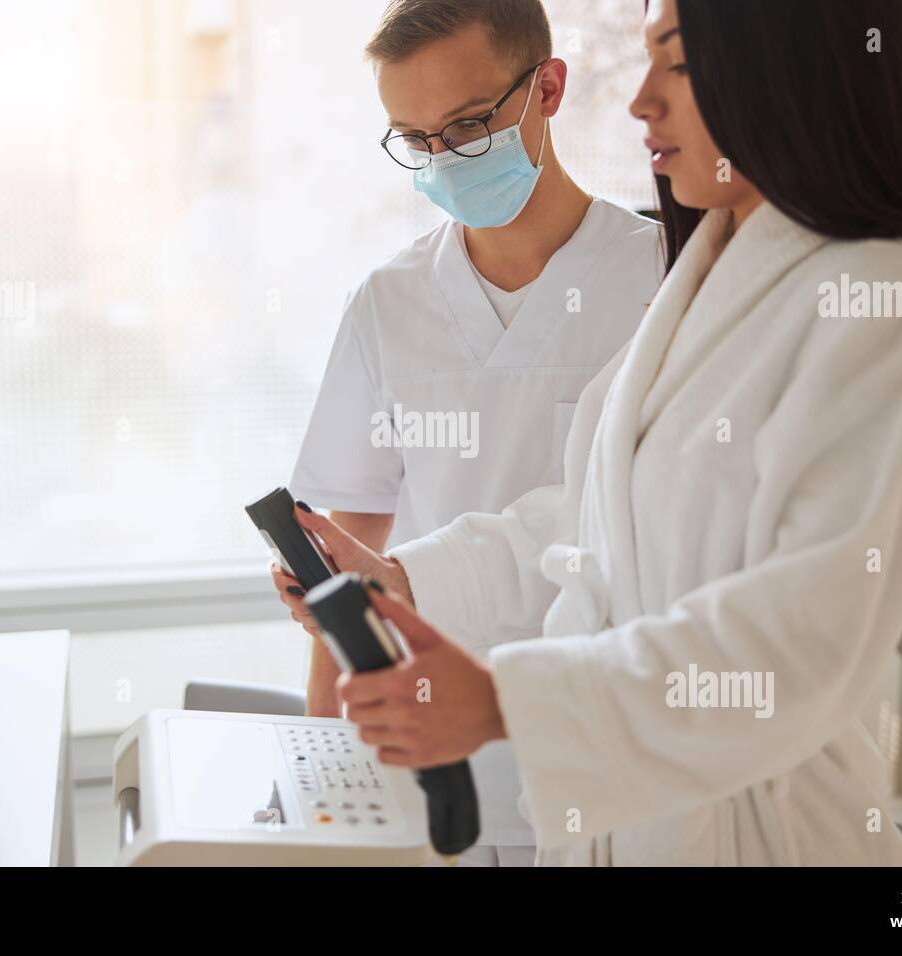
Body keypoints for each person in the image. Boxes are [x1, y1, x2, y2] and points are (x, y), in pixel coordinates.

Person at [278, 0, 902, 865]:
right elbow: (594, 520)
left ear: (785, 69)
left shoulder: (872, 305)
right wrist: (407, 577)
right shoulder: (707, 281)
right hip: (616, 820)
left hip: (758, 833)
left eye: (673, 63)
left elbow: (795, 644)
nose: (640, 101)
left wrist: (505, 702)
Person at [278, 0, 664, 865]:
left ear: (549, 88)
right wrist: (327, 798)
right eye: (414, 140)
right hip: (433, 771)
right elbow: (346, 569)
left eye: (465, 126)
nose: (442, 160)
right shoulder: (389, 304)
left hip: (602, 749)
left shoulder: (662, 283)